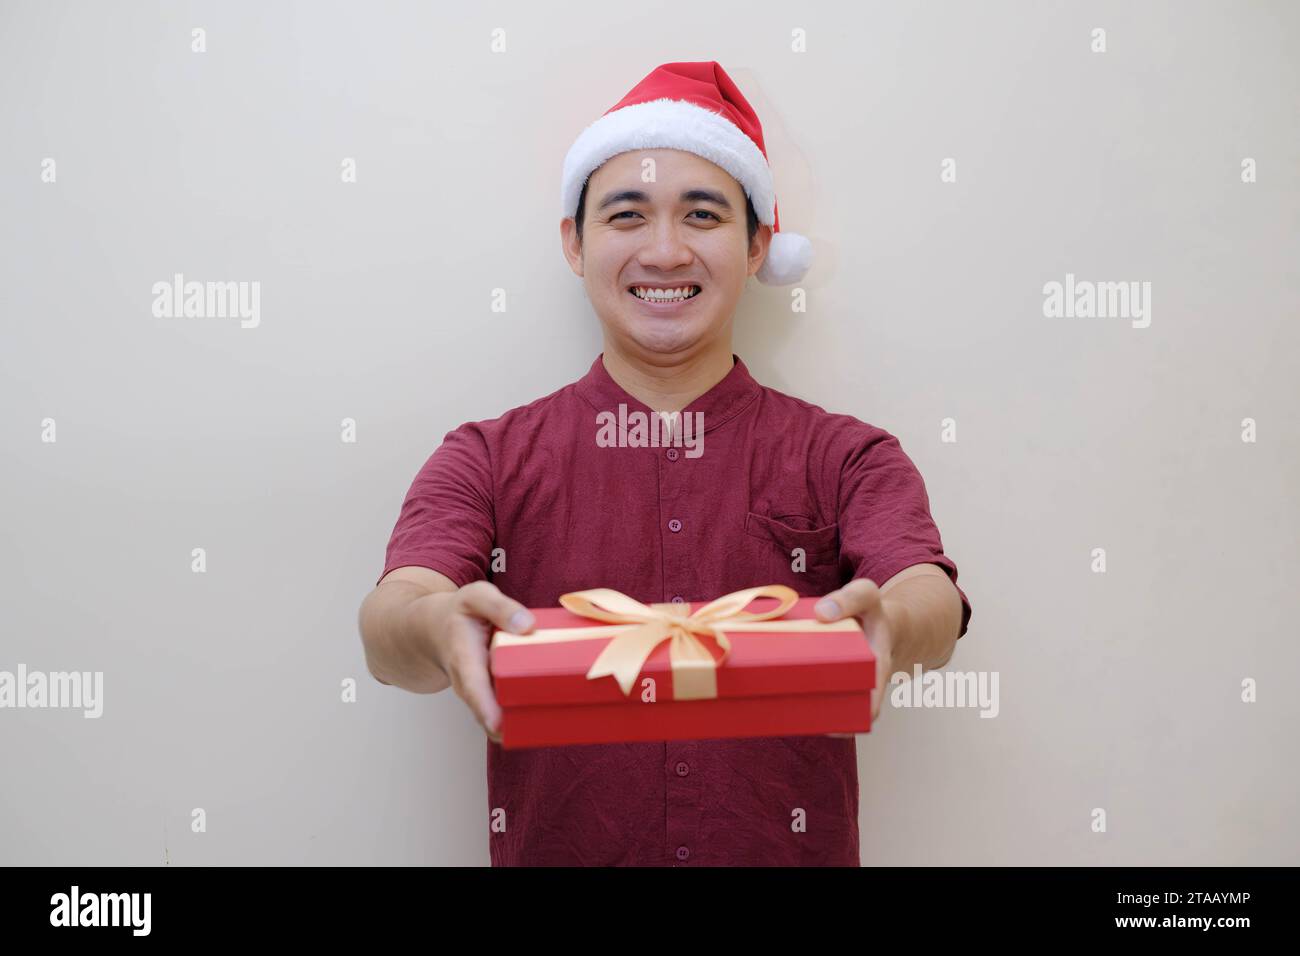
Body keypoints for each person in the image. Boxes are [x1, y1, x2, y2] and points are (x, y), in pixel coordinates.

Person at [358, 61, 972, 866]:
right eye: (626, 215)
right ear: (576, 243)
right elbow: (392, 619)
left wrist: (895, 624)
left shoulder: (847, 453)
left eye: (704, 215)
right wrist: (433, 626)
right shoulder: (487, 457)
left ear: (756, 245)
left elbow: (925, 594)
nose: (665, 249)